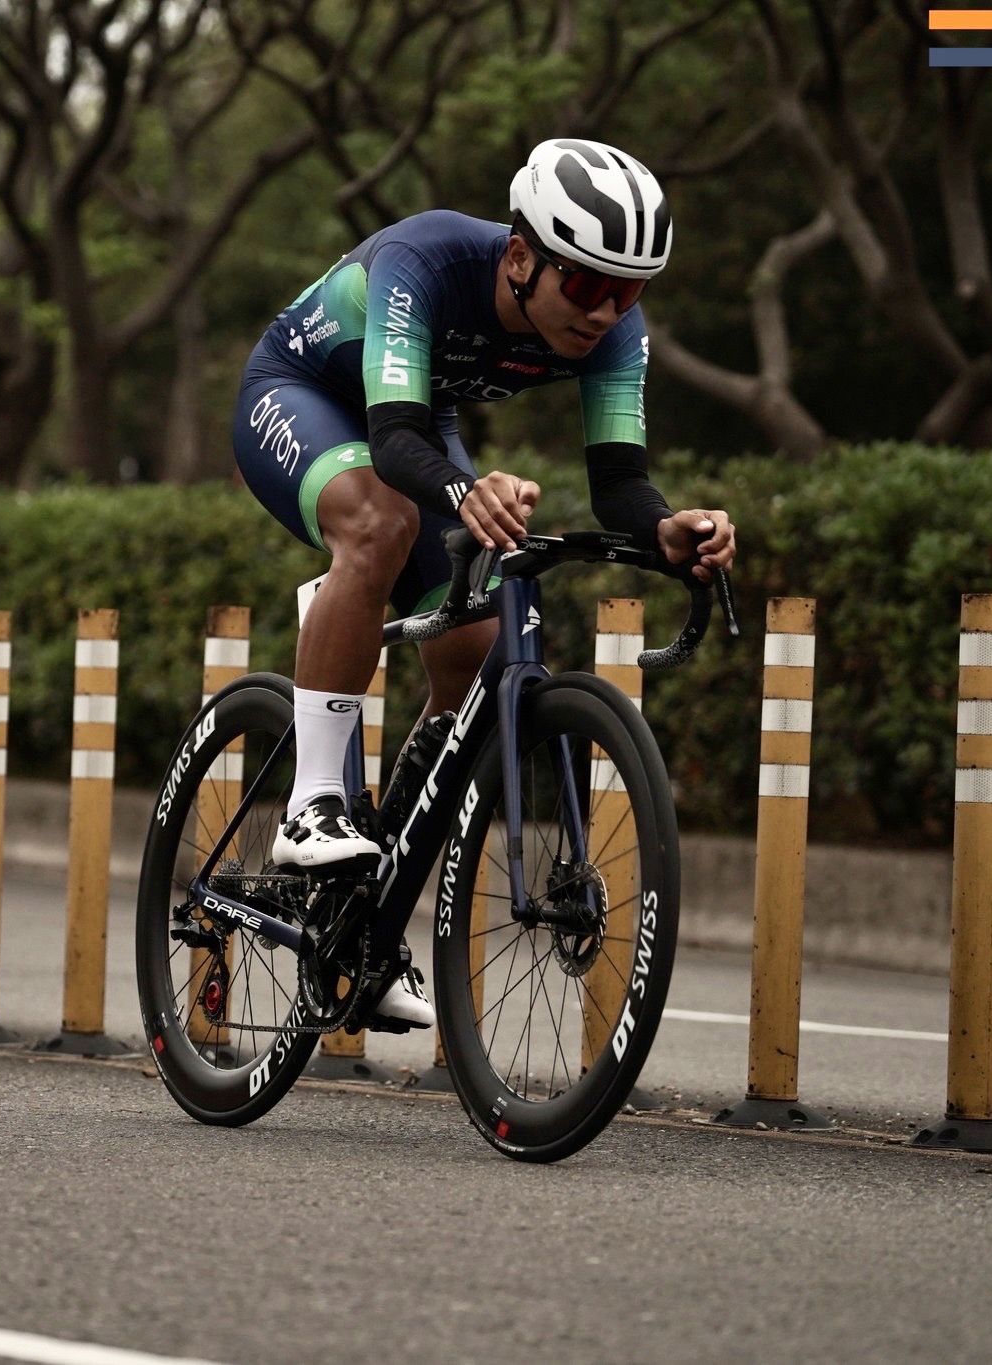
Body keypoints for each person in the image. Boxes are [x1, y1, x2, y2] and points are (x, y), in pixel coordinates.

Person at [231, 139, 737, 1027]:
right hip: (303, 392)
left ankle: (365, 909)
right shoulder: (423, 260)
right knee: (378, 525)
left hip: (420, 423)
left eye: (630, 290)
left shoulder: (615, 330)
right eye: (585, 285)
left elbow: (619, 481)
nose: (606, 311)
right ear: (519, 256)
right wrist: (466, 489)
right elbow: (391, 442)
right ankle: (311, 804)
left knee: (482, 650)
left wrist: (667, 529)